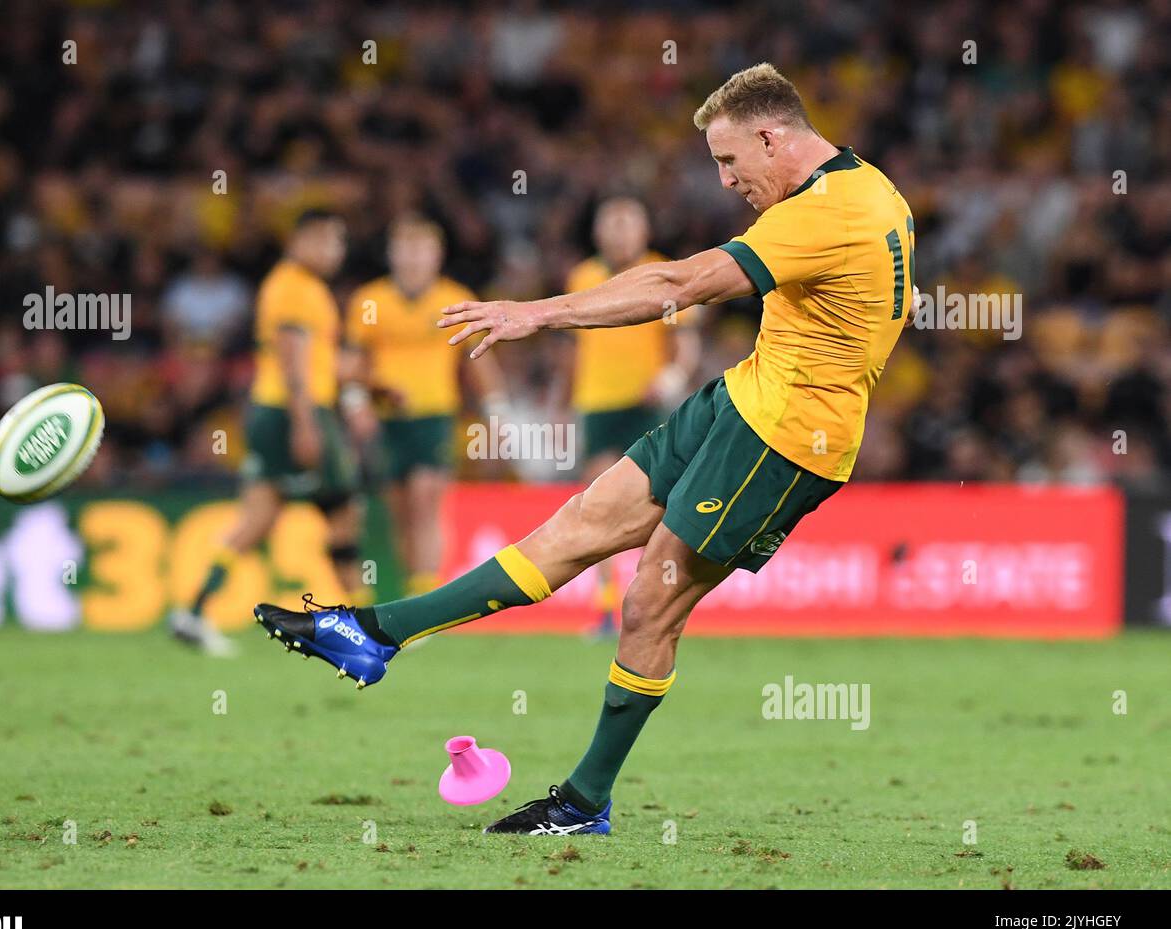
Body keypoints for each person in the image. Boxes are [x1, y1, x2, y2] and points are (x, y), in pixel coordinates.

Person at [254, 64, 918, 834]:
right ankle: (372, 634)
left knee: (649, 605)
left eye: (730, 161)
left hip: (785, 438)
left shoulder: (826, 215)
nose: (727, 180)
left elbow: (681, 282)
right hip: (743, 396)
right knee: (571, 529)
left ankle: (582, 802)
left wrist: (537, 313)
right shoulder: (869, 185)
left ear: (773, 137)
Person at [172, 209, 362, 654]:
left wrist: (368, 385)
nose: (337, 252)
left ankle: (193, 612)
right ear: (305, 241)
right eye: (331, 241)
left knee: (257, 519)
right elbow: (295, 360)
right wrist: (305, 424)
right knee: (344, 508)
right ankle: (368, 624)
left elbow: (316, 359)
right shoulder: (296, 288)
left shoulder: (292, 286)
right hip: (293, 411)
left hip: (272, 410)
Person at [347, 217, 507, 598]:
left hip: (434, 415)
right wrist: (355, 404)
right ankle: (412, 591)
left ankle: (427, 595)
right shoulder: (370, 301)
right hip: (387, 418)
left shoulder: (453, 299)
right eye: (405, 250)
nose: (413, 259)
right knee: (399, 510)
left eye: (421, 250)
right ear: (391, 255)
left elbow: (478, 358)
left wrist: (497, 411)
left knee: (425, 500)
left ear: (437, 256)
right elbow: (354, 360)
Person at [561, 197, 700, 636]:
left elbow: (687, 338)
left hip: (648, 405)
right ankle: (606, 611)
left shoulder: (664, 272)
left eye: (628, 224)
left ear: (644, 232)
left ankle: (658, 607)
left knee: (659, 514)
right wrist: (562, 400)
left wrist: (674, 375)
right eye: (612, 224)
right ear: (599, 232)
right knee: (599, 511)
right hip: (597, 405)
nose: (620, 233)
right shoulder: (582, 275)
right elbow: (572, 347)